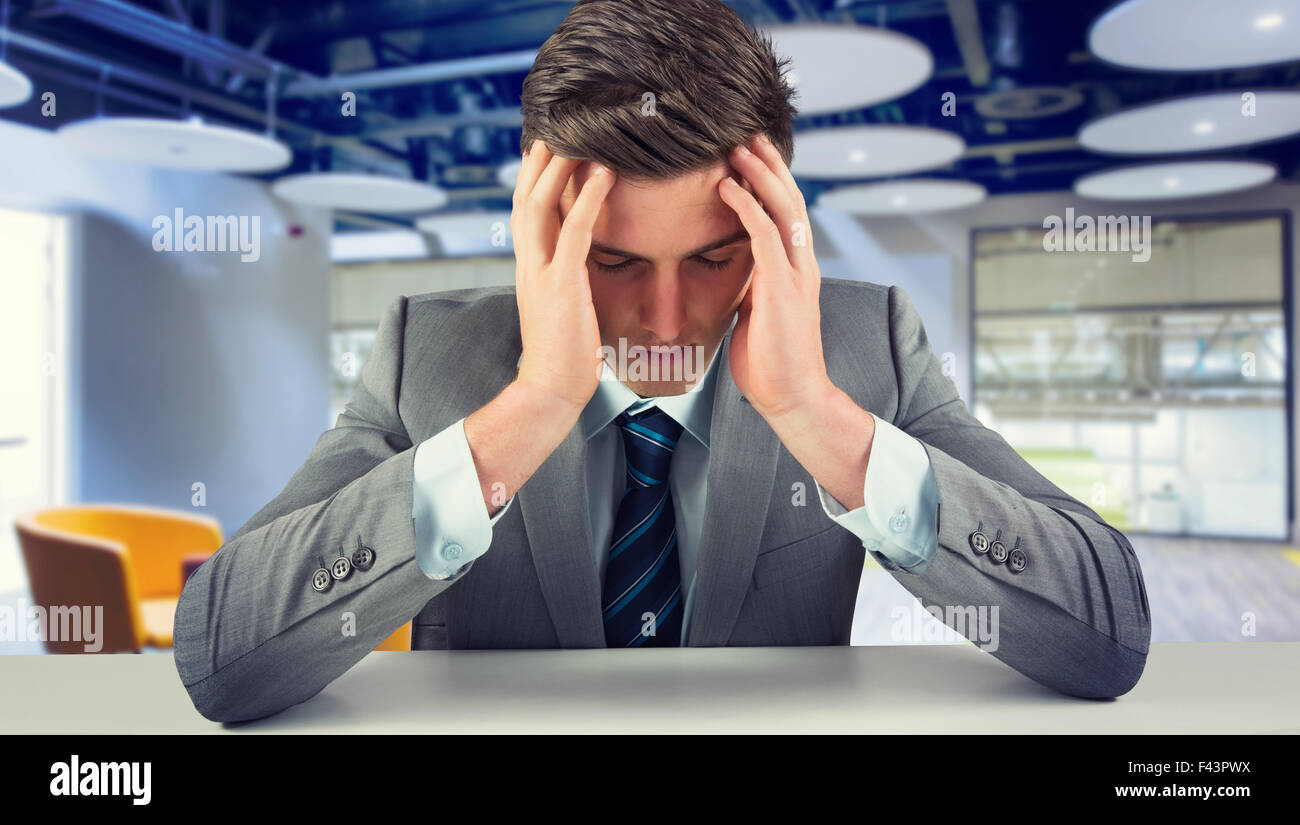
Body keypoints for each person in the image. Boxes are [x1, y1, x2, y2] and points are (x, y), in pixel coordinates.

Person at [173, 0, 1151, 723]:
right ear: (540, 230)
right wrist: (533, 406)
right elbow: (223, 655)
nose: (665, 316)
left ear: (774, 225)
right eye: (612, 260)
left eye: (715, 256)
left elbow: (1106, 638)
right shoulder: (426, 352)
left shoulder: (867, 345)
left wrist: (815, 411)